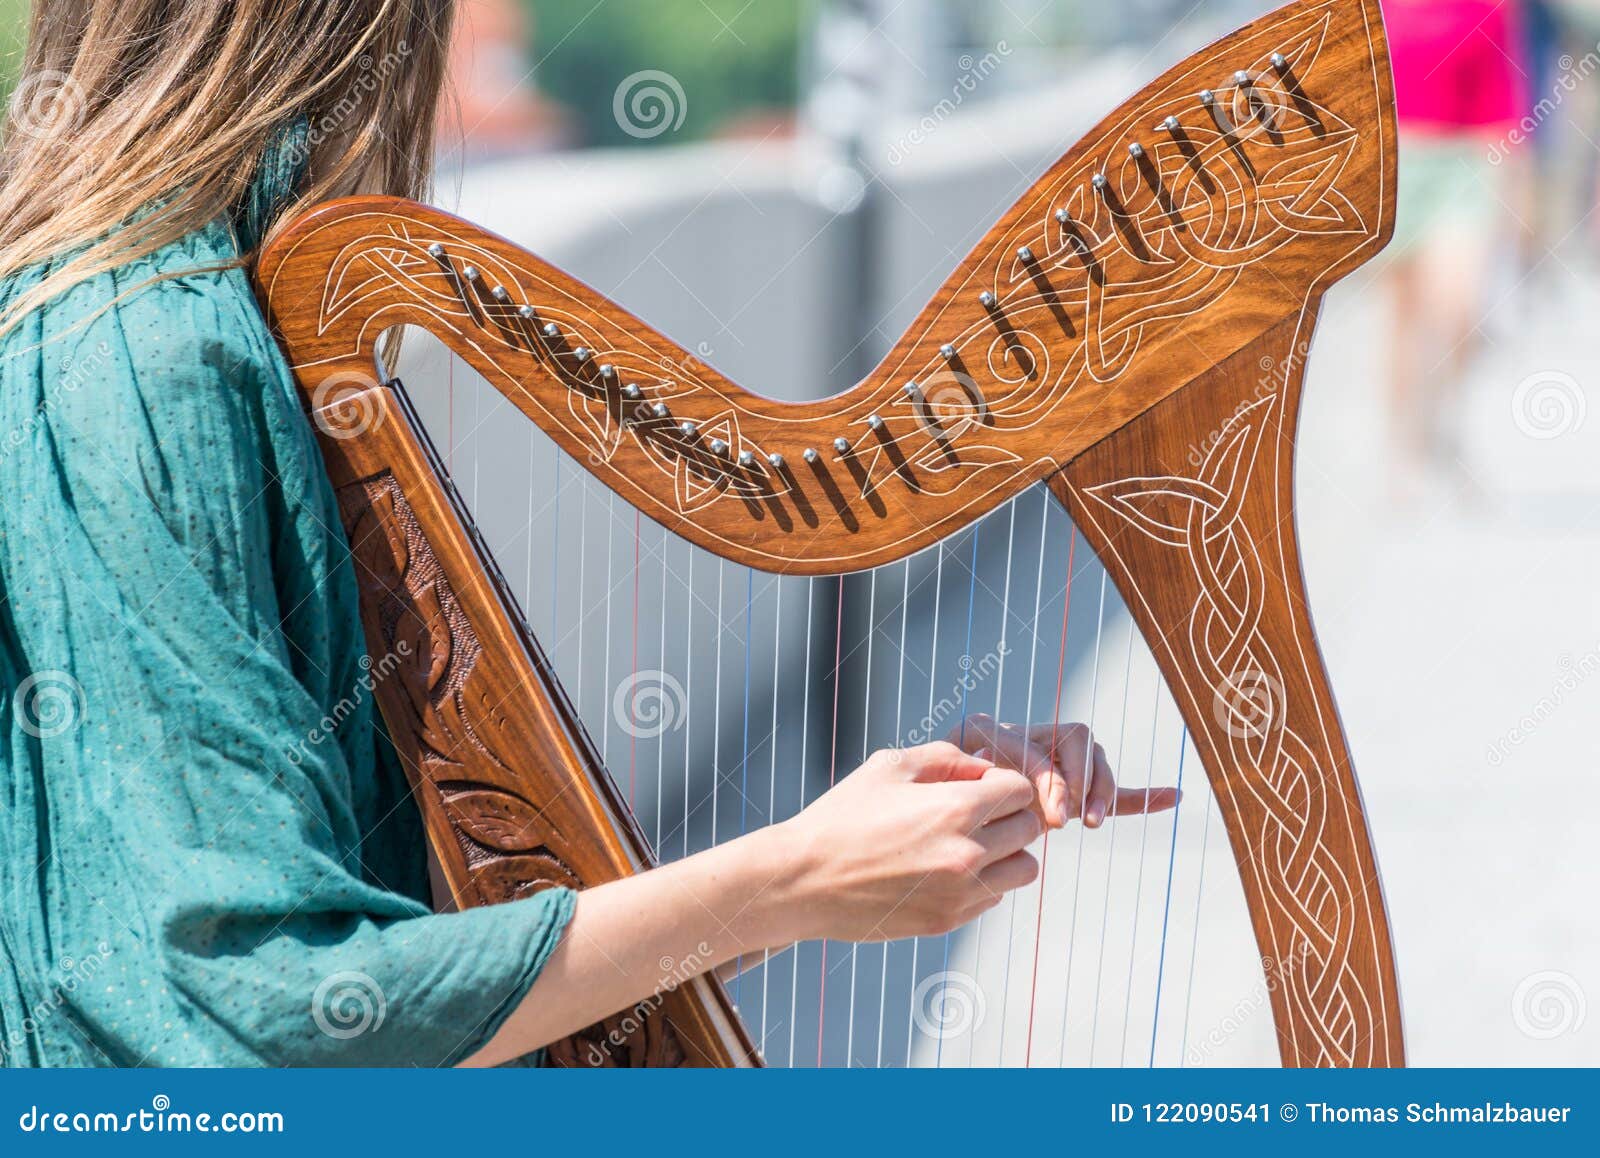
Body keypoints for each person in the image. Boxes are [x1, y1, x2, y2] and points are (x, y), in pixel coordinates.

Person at [0, 1, 1175, 1068]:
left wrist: (879, 848)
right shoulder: (142, 359)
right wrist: (797, 877)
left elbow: (411, 983)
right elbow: (276, 1011)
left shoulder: (178, 321)